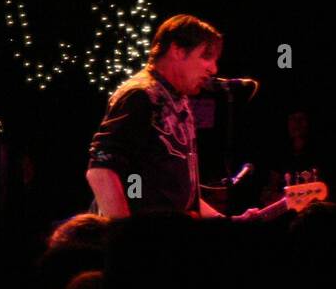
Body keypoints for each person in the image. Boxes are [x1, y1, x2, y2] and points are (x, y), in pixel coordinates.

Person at [86, 14, 263, 220]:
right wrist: (125, 236)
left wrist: (226, 223)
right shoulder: (141, 95)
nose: (214, 69)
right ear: (177, 50)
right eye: (206, 56)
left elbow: (181, 197)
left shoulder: (180, 99)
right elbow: (101, 171)